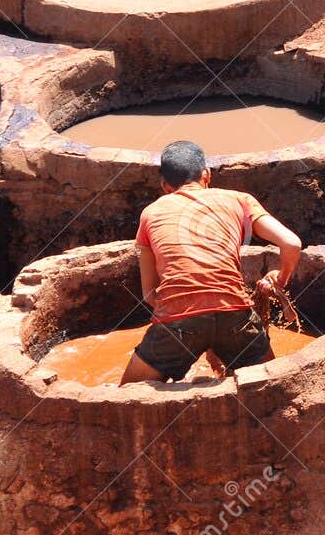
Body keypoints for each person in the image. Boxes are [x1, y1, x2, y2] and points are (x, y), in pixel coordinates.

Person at [119, 140, 303, 384]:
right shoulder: (239, 200)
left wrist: (194, 323)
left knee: (128, 394)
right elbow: (292, 244)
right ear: (207, 175)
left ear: (165, 186)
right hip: (235, 315)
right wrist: (282, 279)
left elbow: (150, 294)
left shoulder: (150, 213)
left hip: (177, 322)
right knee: (273, 390)